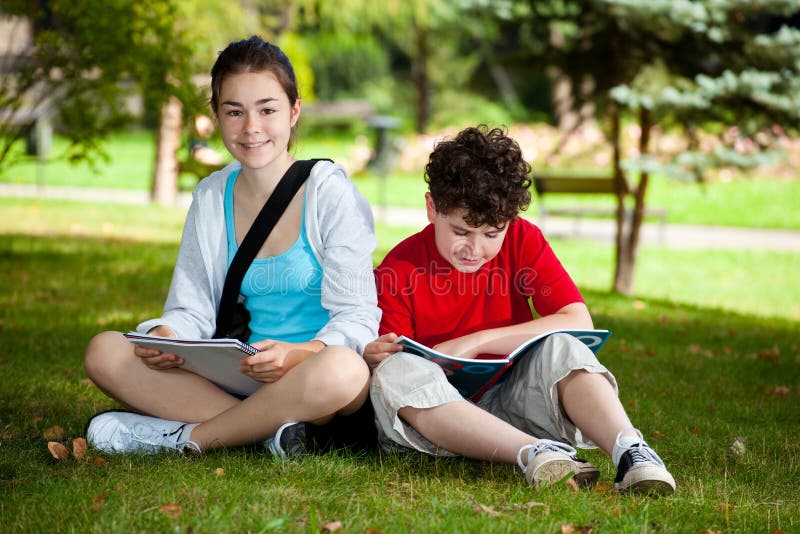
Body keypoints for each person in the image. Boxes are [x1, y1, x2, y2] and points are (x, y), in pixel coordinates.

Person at [83, 36, 379, 456]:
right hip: (243, 373)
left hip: (317, 378)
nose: (251, 127)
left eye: (267, 110)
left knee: (345, 369)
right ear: (216, 116)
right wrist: (168, 337)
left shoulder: (330, 193)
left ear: (294, 112)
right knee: (105, 351)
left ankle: (190, 439)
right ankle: (269, 434)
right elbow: (191, 308)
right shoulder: (210, 196)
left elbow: (357, 319)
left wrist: (296, 354)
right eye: (234, 111)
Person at [364, 126, 676, 495]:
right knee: (395, 372)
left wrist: (476, 342)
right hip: (442, 420)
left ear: (509, 223)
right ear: (432, 208)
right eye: (461, 231)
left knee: (565, 345)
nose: (475, 249)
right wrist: (376, 354)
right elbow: (396, 368)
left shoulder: (523, 239)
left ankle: (631, 452)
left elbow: (578, 319)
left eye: (492, 234)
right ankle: (534, 453)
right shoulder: (400, 267)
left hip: (515, 401)